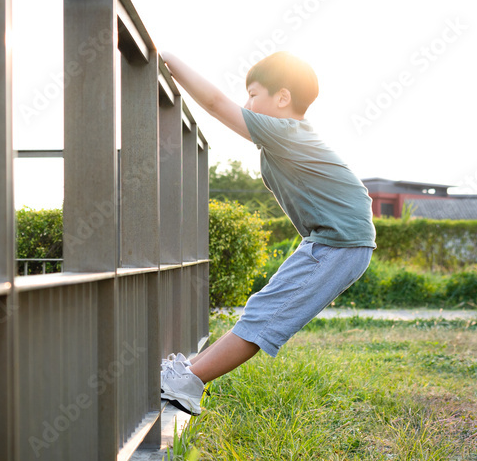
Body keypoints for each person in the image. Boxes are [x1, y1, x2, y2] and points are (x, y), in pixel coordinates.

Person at [157, 50, 376, 416]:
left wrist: (168, 59)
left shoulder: (284, 132)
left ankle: (188, 384)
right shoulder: (285, 138)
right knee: (262, 310)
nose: (246, 104)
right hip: (335, 239)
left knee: (266, 317)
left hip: (339, 241)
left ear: (283, 98)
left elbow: (214, 103)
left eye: (253, 94)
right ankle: (189, 374)